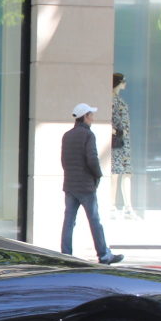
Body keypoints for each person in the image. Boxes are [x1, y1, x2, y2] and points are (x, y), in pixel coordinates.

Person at [61, 103, 123, 265]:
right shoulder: (88, 135)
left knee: (69, 221)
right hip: (86, 186)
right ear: (85, 117)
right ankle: (104, 255)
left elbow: (64, 161)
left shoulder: (67, 136)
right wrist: (98, 175)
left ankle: (65, 256)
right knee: (94, 220)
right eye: (91, 115)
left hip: (70, 185)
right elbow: (92, 159)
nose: (92, 119)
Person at [110, 72, 134, 218]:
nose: (125, 84)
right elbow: (107, 119)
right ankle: (112, 206)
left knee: (126, 173)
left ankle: (127, 207)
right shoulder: (112, 100)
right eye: (123, 81)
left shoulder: (118, 99)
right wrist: (116, 132)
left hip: (124, 142)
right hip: (117, 142)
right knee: (115, 174)